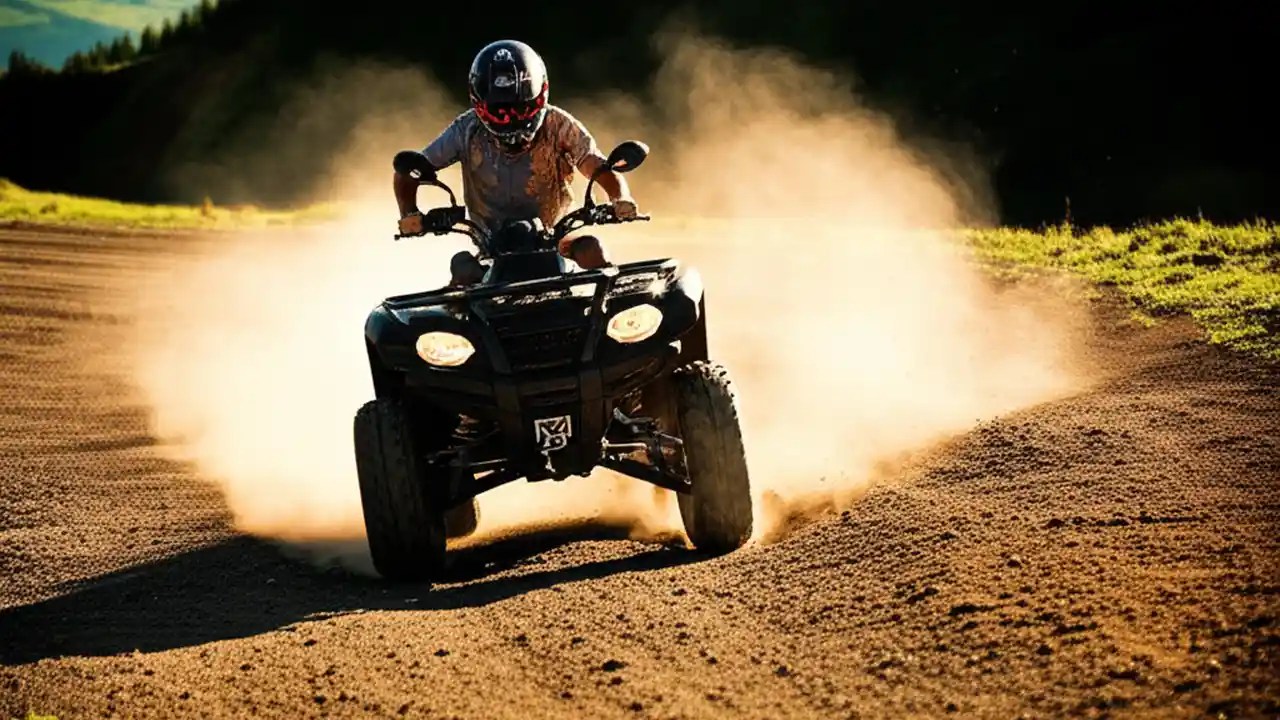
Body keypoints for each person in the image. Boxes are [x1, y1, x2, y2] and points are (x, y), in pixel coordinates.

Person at [394, 39, 639, 286]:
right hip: (492, 248)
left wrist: (620, 199)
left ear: (539, 95)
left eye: (520, 109)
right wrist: (409, 214)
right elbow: (409, 170)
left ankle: (614, 312)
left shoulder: (559, 125)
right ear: (479, 103)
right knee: (464, 269)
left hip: (557, 238)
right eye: (500, 112)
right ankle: (460, 321)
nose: (510, 120)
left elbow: (596, 166)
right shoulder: (465, 130)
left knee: (592, 251)